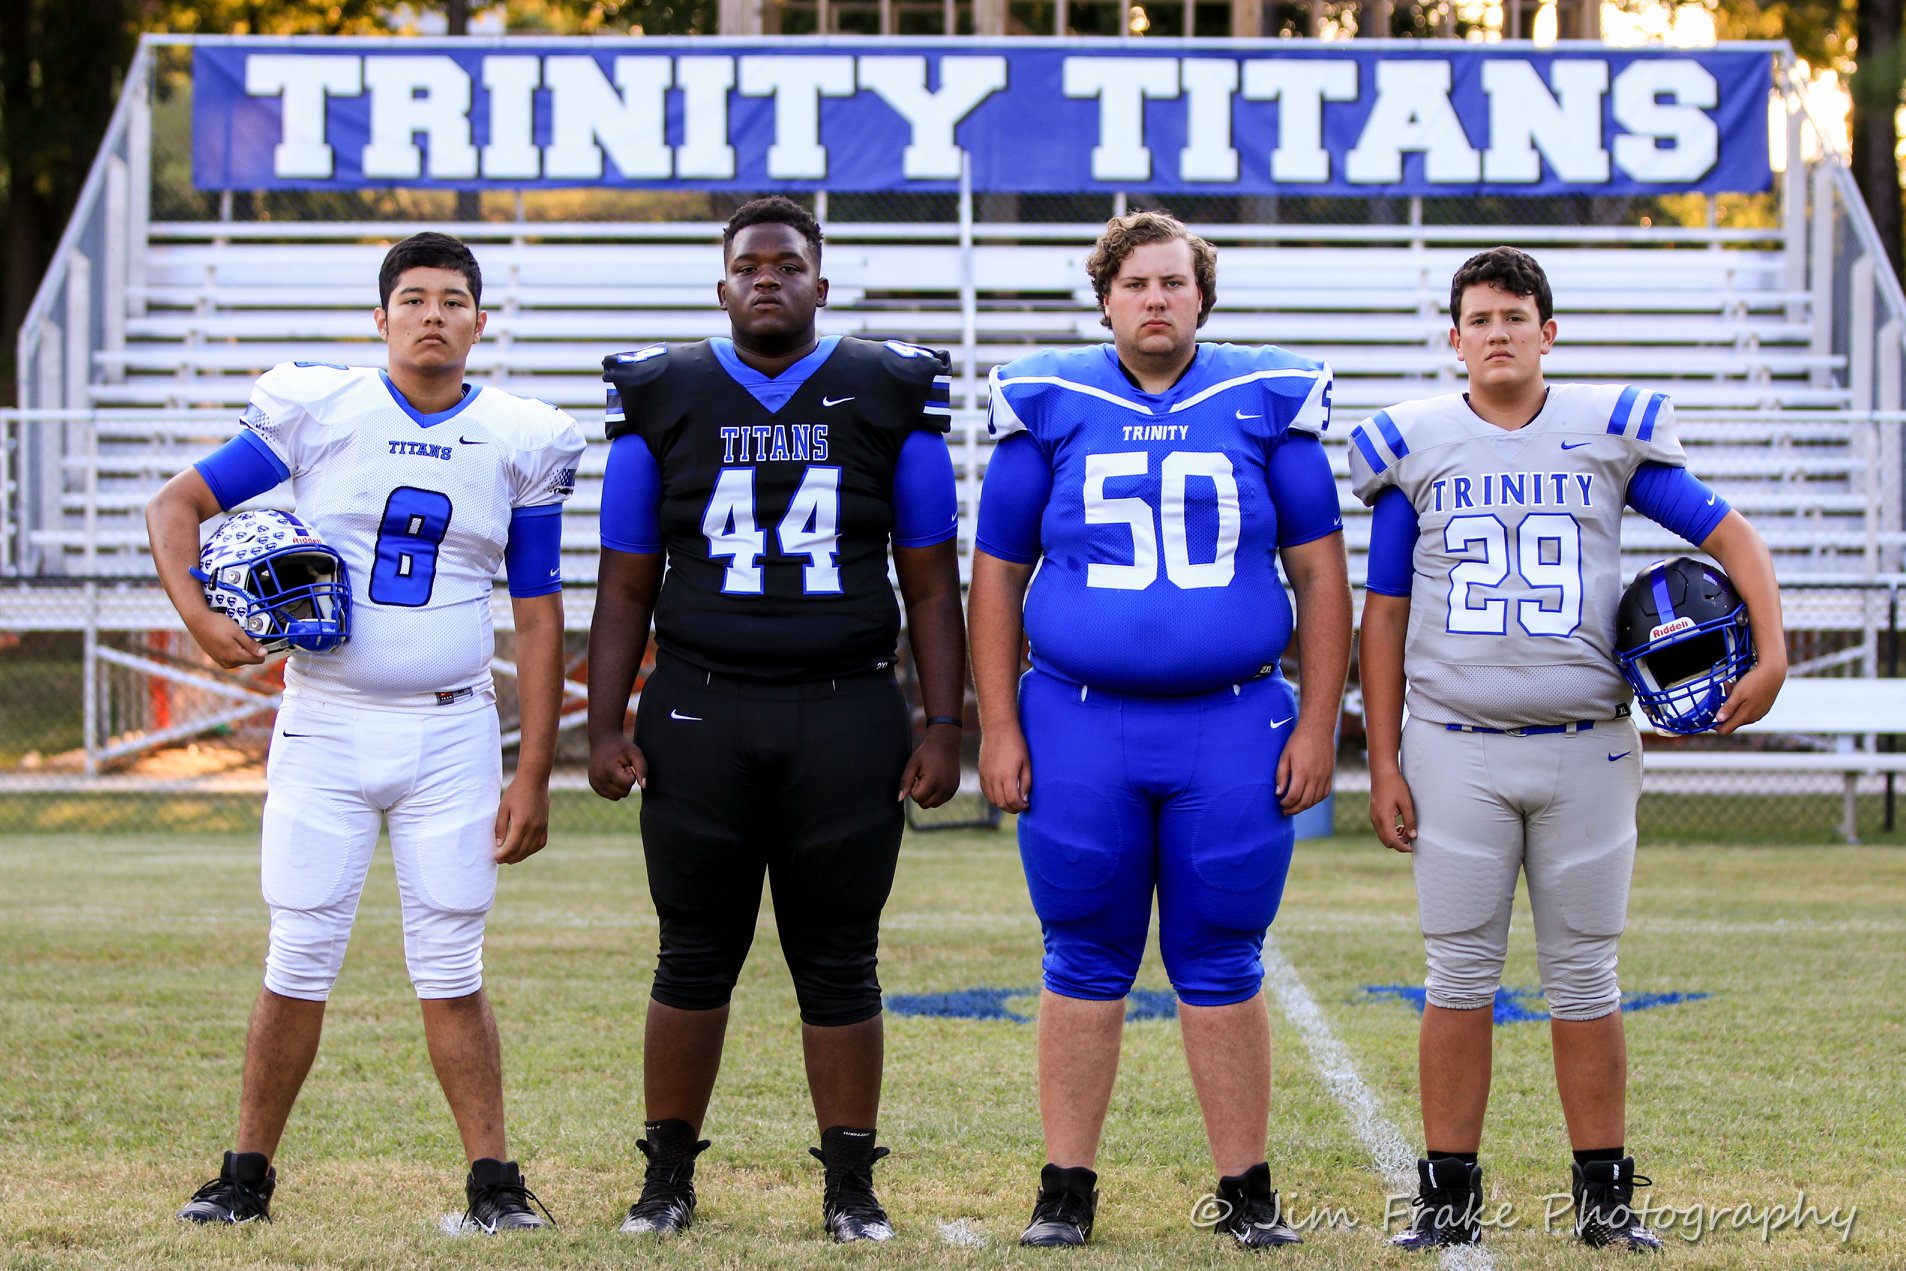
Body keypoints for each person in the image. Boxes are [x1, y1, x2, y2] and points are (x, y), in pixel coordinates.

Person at [1352, 246, 1786, 1251]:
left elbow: (1737, 540)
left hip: (1587, 742)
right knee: (1457, 971)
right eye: (1478, 317)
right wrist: (1379, 758)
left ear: (1548, 333)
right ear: (1452, 338)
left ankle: (1604, 1200)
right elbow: (1384, 615)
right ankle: (1446, 1195)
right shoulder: (1414, 444)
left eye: (1514, 314)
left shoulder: (1604, 433)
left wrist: (1768, 654)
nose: (1496, 331)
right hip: (1454, 744)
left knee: (1585, 974)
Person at [146, 232, 582, 1231]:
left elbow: (541, 608)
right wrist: (201, 619)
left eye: (454, 300)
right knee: (297, 948)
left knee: (452, 956)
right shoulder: (323, 410)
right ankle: (244, 1175)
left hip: (452, 729)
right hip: (327, 722)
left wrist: (536, 768)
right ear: (381, 317)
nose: (434, 314)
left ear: (480, 321)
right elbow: (176, 505)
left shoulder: (520, 436)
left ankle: (493, 1183)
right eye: (415, 297)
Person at [967, 210, 1352, 1250]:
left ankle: (1245, 1189)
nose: (1155, 300)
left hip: (1231, 719)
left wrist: (1321, 720)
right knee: (1081, 950)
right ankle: (1065, 1188)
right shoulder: (1051, 402)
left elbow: (1321, 574)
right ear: (1104, 297)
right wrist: (995, 723)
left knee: (1222, 953)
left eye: (1174, 283)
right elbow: (994, 578)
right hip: (1077, 719)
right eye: (1136, 283)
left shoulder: (1261, 401)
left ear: (1201, 297)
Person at [587, 196, 967, 1243]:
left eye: (787, 264)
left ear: (820, 284)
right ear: (722, 285)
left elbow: (932, 583)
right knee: (691, 950)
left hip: (846, 707)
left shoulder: (890, 390)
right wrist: (602, 719)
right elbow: (624, 584)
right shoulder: (661, 391)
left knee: (841, 954)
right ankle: (666, 1175)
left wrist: (945, 720)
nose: (768, 277)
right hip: (699, 704)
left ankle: (850, 1182)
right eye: (749, 264)